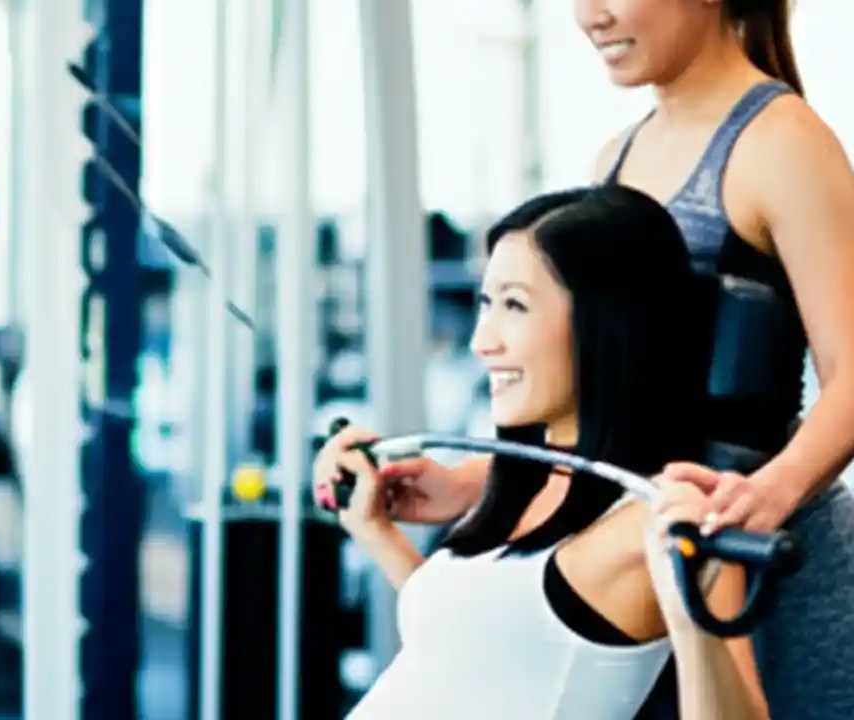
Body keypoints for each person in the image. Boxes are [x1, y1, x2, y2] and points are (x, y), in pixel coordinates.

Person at [361, 1, 854, 716]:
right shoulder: (617, 158)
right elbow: (627, 406)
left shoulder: (783, 144)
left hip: (778, 573)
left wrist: (746, 510)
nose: (590, 15)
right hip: (662, 558)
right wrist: (472, 483)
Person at [316, 185, 767, 719]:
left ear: (606, 325)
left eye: (515, 305)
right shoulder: (527, 485)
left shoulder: (655, 524)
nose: (482, 341)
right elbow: (476, 648)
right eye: (486, 304)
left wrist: (694, 622)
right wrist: (373, 530)